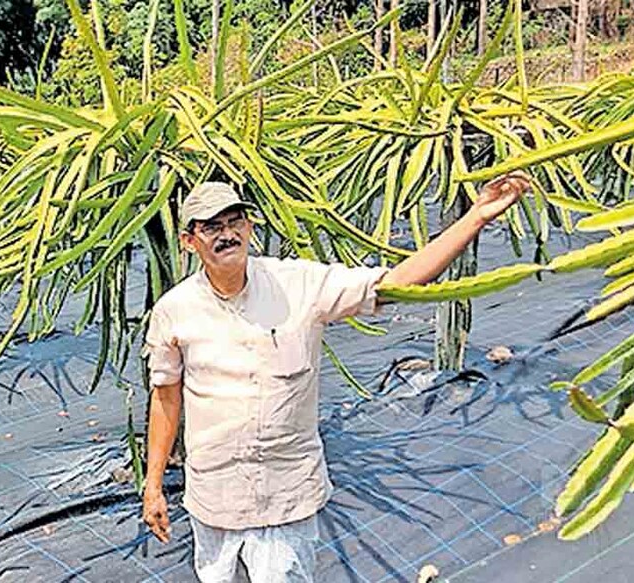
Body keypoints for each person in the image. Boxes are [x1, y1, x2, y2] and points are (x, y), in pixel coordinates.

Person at [140, 174, 530, 582]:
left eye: (234, 221)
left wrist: (476, 217)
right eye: (211, 227)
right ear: (189, 241)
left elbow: (394, 284)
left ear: (250, 227)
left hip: (285, 497)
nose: (227, 234)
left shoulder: (299, 285)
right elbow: (166, 397)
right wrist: (153, 485)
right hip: (215, 496)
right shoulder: (175, 310)